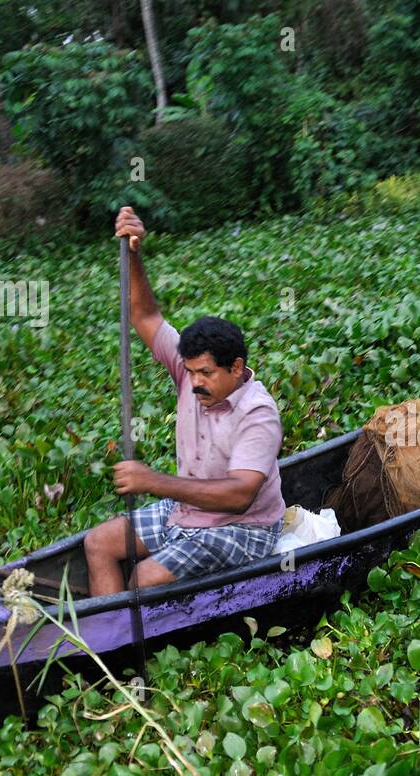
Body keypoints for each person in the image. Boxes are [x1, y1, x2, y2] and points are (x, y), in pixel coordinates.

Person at [83, 207, 286, 596]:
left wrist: (153, 482)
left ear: (236, 367)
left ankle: (130, 642)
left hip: (244, 527)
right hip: (189, 511)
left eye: (205, 373)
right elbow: (145, 315)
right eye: (190, 371)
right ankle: (108, 647)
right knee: (99, 543)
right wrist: (133, 252)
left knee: (143, 579)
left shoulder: (258, 413)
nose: (194, 382)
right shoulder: (189, 369)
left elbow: (240, 497)